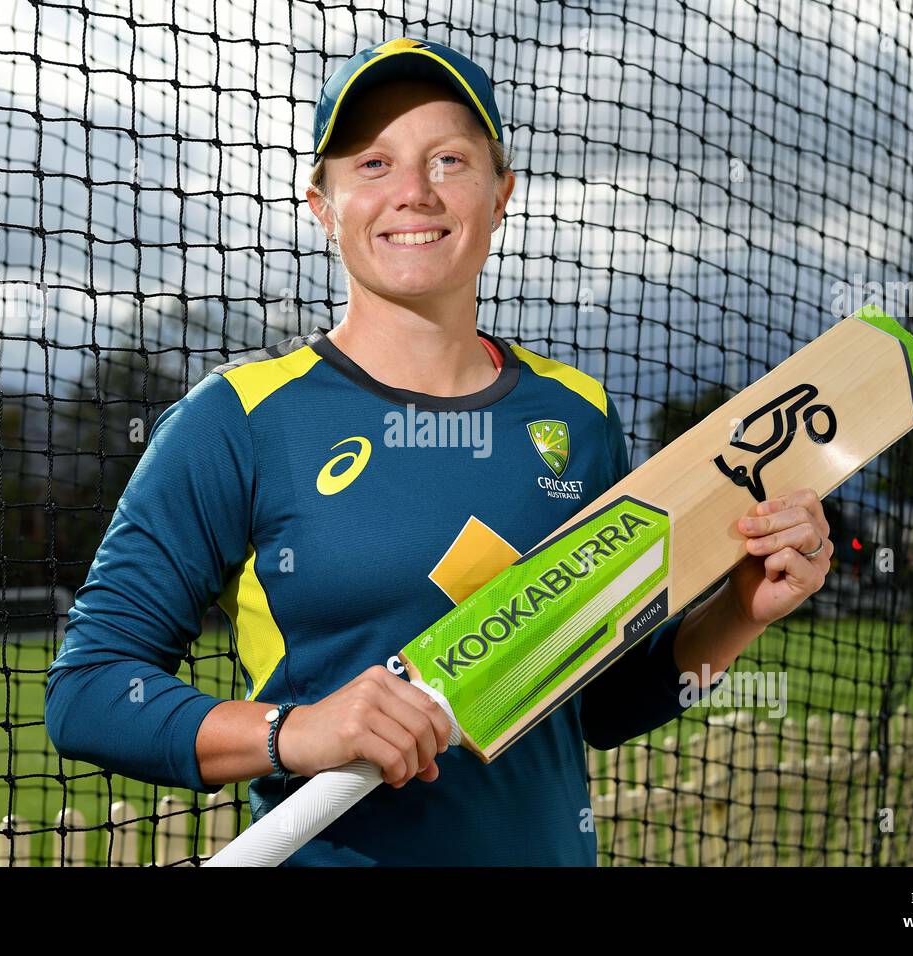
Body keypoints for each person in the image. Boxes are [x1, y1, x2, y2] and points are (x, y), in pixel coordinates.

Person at [44, 36, 833, 865]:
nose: (414, 193)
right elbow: (90, 693)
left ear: (502, 194)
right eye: (374, 165)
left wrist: (741, 609)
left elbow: (600, 707)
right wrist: (299, 732)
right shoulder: (237, 420)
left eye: (449, 160)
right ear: (323, 203)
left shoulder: (580, 414)